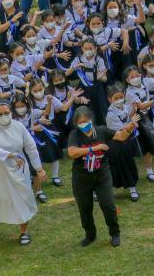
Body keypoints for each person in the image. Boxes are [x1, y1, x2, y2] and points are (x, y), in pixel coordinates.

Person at [0, 100, 47, 246]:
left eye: (6, 113)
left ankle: (23, 232)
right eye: (0, 114)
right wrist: (11, 155)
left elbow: (31, 147)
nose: (4, 116)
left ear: (11, 112)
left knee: (22, 197)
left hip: (18, 168)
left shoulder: (19, 126)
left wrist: (39, 168)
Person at [66, 105, 135, 247]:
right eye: (80, 123)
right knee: (85, 208)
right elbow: (72, 152)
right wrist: (94, 148)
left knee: (108, 204)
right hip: (81, 178)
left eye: (85, 121)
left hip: (102, 175)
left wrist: (129, 128)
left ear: (91, 119)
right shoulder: (75, 135)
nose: (83, 125)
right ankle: (90, 235)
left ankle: (115, 233)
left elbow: (120, 136)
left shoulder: (101, 131)